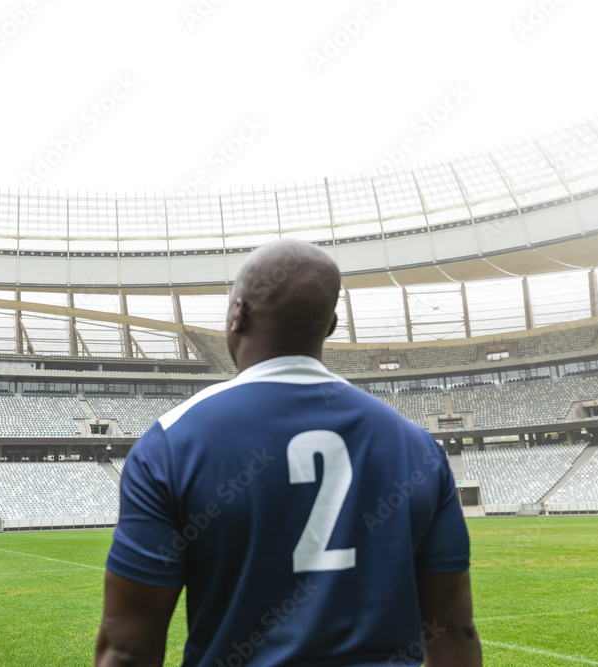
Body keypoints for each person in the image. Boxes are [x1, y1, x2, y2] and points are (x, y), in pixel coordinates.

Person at [95, 239, 482, 667]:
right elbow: (454, 631)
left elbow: (128, 650)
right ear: (331, 325)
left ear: (238, 314)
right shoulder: (416, 446)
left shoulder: (171, 441)